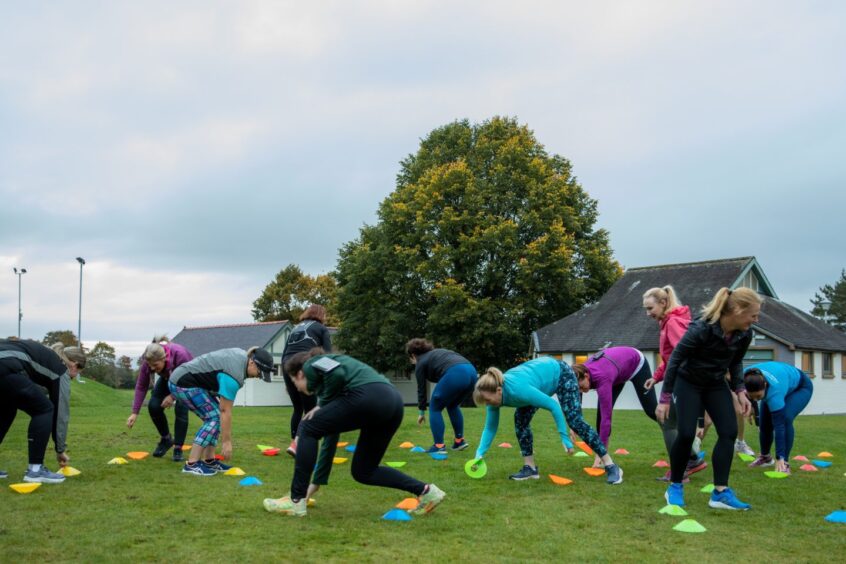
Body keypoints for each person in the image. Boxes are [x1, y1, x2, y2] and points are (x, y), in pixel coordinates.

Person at [263, 348, 445, 517]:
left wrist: (322, 404)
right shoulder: (332, 384)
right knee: (364, 471)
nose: (298, 389)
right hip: (393, 403)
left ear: (301, 373)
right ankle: (427, 492)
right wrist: (315, 485)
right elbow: (330, 436)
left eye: (296, 383)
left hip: (371, 396)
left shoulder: (313, 363)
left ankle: (295, 500)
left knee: (307, 426)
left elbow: (337, 373)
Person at [657, 287, 760, 510]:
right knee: (685, 433)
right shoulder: (702, 328)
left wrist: (740, 390)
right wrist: (665, 397)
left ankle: (720, 493)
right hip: (688, 382)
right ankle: (674, 487)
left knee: (729, 432)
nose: (755, 320)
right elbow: (675, 359)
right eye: (753, 315)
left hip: (715, 383)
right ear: (738, 310)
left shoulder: (744, 334)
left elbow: (736, 362)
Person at [473, 356, 623, 484]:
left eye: (487, 400)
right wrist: (479, 454)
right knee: (520, 420)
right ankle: (530, 468)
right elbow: (490, 428)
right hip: (538, 381)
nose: (487, 404)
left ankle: (610, 465)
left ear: (499, 391)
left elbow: (553, 406)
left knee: (575, 420)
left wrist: (564, 437)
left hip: (560, 373)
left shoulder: (519, 390)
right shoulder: (493, 399)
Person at [168, 346, 272, 476]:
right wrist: (226, 442)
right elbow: (225, 411)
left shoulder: (242, 358)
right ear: (252, 362)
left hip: (185, 380)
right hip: (182, 383)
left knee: (215, 416)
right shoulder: (233, 376)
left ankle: (209, 460)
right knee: (214, 417)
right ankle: (192, 464)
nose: (258, 377)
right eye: (259, 372)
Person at [642, 286, 707, 481]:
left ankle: (682, 468)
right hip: (680, 379)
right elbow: (670, 357)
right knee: (674, 424)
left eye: (650, 308)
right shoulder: (670, 322)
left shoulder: (673, 323)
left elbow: (683, 354)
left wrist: (680, 384)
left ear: (663, 303)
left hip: (683, 381)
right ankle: (691, 460)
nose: (648, 313)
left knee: (667, 422)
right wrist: (656, 376)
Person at [0, 339, 86, 483]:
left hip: (5, 366)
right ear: (74, 365)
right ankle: (35, 470)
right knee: (44, 409)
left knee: (7, 408)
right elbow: (61, 413)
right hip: (5, 368)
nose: (73, 377)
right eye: (77, 373)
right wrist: (60, 449)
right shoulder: (61, 369)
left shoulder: (44, 356)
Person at [572, 346, 665, 468]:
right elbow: (576, 401)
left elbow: (606, 419)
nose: (581, 390)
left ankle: (681, 431)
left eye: (581, 386)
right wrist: (574, 425)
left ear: (586, 376)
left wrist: (601, 455)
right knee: (599, 416)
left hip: (635, 363)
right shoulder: (579, 375)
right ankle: (601, 459)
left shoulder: (602, 378)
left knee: (652, 411)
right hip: (616, 370)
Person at [126, 336, 193, 462]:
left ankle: (178, 448)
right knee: (154, 405)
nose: (152, 369)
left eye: (155, 365)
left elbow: (186, 382)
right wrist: (134, 413)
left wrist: (172, 396)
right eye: (150, 366)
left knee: (181, 408)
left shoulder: (180, 355)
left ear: (164, 358)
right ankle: (166, 439)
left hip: (187, 381)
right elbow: (141, 386)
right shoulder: (149, 361)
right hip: (168, 378)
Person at [406, 338, 477, 453]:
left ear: (413, 355)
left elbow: (421, 389)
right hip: (472, 372)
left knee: (435, 407)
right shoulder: (436, 354)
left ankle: (438, 446)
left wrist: (421, 411)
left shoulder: (420, 362)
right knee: (452, 405)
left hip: (456, 372)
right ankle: (459, 441)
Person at [280, 304, 332, 457]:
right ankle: (300, 445)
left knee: (297, 408)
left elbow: (284, 354)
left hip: (287, 366)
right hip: (304, 365)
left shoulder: (296, 328)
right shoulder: (321, 329)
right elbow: (327, 354)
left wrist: (287, 379)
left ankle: (294, 442)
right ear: (322, 315)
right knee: (311, 409)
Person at [743, 362, 813, 474]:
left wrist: (780, 456)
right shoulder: (746, 377)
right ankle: (765, 458)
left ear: (765, 385)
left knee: (785, 419)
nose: (756, 400)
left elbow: (779, 427)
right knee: (764, 423)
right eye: (752, 397)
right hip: (782, 381)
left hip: (800, 387)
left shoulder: (775, 391)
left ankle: (784, 462)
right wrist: (749, 403)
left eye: (758, 396)